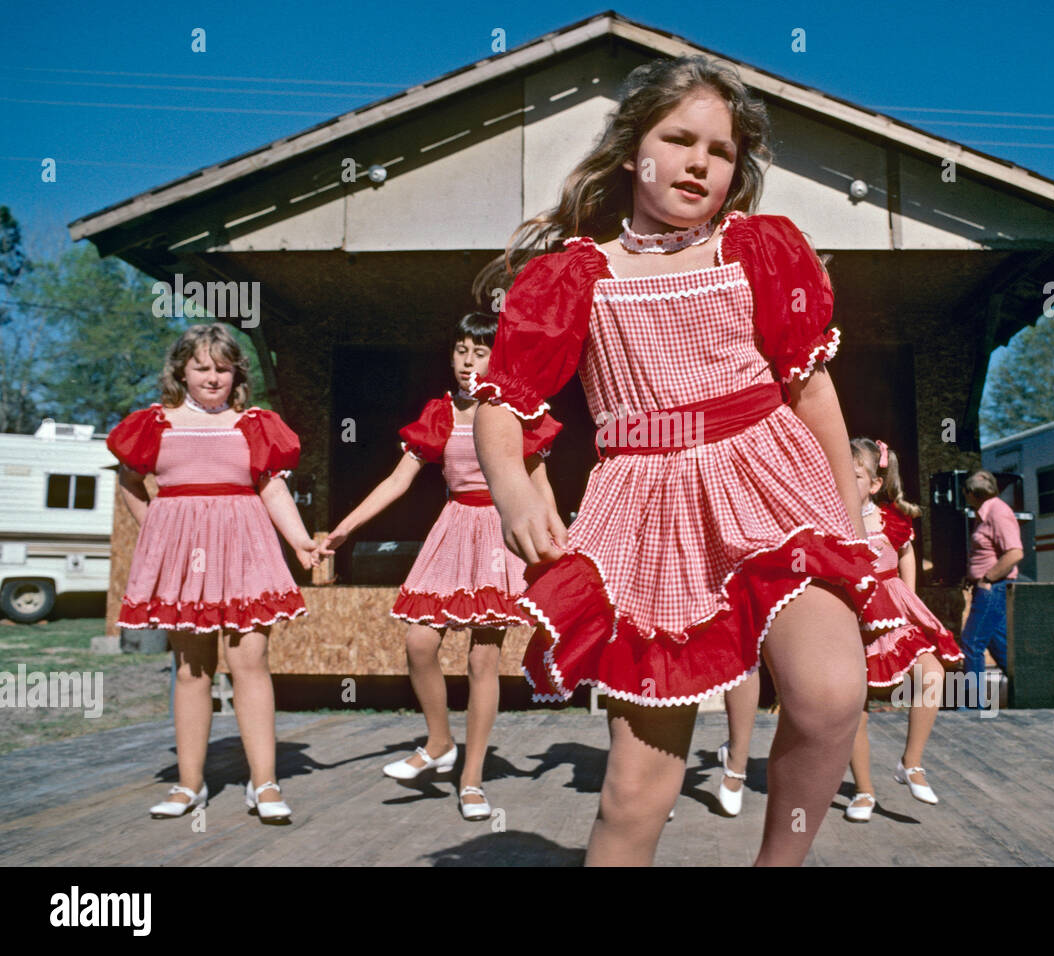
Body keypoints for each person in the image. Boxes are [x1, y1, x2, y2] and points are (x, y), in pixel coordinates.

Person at [469, 55, 883, 866]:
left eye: (721, 151)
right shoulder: (574, 276)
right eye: (679, 139)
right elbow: (502, 404)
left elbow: (811, 395)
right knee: (634, 791)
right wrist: (514, 489)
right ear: (633, 150)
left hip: (772, 487)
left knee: (831, 692)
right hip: (646, 517)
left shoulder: (761, 250)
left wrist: (851, 523)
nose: (699, 162)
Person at [321, 313, 558, 820]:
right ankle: (439, 741)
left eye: (480, 351)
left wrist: (558, 542)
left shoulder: (517, 411)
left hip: (499, 533)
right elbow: (396, 481)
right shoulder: (440, 412)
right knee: (420, 641)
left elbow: (538, 483)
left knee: (483, 660)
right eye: (461, 350)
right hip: (452, 532)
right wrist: (345, 527)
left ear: (500, 358)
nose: (468, 361)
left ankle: (471, 781)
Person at [107, 323, 319, 823]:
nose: (212, 377)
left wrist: (301, 541)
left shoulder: (254, 424)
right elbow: (131, 484)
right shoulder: (155, 423)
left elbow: (271, 489)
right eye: (201, 367)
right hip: (187, 564)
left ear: (236, 375)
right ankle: (189, 785)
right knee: (190, 670)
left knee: (250, 662)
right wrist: (158, 531)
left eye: (223, 368)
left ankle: (264, 783)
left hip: (245, 553)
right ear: (180, 370)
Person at [843, 438, 963, 822]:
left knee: (931, 671)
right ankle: (863, 791)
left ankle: (911, 762)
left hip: (893, 612)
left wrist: (908, 596)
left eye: (856, 474)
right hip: (851, 618)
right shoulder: (834, 520)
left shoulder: (893, 519)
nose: (845, 479)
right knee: (852, 707)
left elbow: (906, 552)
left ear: (875, 483)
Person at [959, 469, 1024, 709]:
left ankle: (972, 705)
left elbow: (1015, 552)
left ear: (969, 493)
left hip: (993, 587)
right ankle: (1029, 693)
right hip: (988, 587)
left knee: (971, 642)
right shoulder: (985, 513)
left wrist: (987, 577)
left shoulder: (998, 513)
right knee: (999, 644)